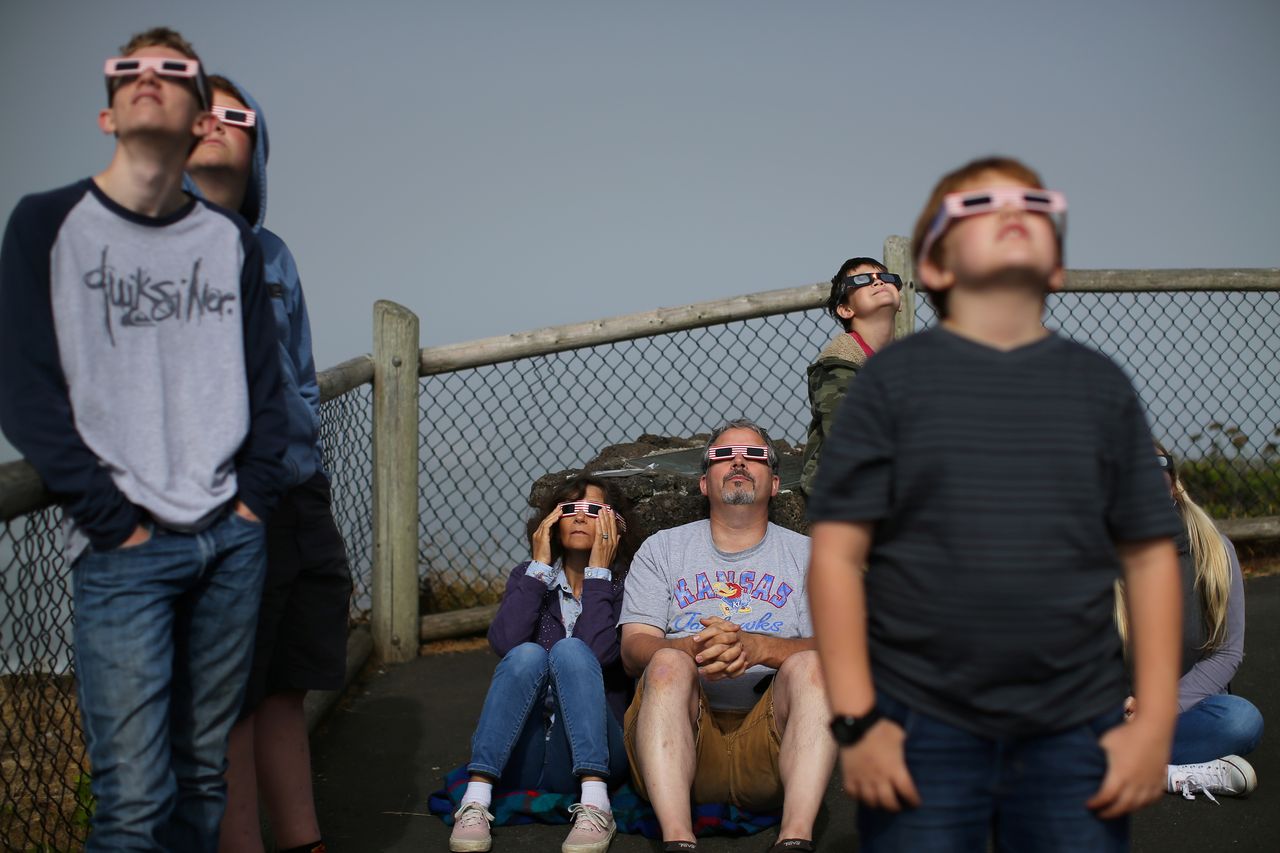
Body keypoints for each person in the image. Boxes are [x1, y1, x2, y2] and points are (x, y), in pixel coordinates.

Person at [806, 156, 1184, 851]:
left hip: (1073, 718)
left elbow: (1153, 557)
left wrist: (1156, 720)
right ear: (940, 267)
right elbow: (833, 556)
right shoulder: (884, 385)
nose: (1012, 214)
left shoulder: (1101, 388)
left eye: (1035, 208)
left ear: (1058, 266)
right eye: (976, 209)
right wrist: (858, 722)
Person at [0, 27, 286, 852]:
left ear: (204, 118)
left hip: (230, 544)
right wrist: (108, 516)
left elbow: (264, 387)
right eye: (129, 69)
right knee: (131, 798)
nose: (147, 79)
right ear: (105, 113)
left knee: (202, 775)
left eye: (172, 70)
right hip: (122, 548)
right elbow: (25, 388)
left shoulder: (227, 241)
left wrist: (251, 505)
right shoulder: (46, 224)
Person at [186, 76, 353, 853]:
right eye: (201, 112)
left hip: (294, 495)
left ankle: (303, 840)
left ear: (256, 145)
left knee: (286, 685)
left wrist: (305, 465)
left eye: (234, 114)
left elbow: (301, 374)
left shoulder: (274, 253)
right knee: (230, 704)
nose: (216, 123)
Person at [619, 418, 834, 853]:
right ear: (703, 483)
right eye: (724, 455)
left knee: (815, 665)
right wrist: (691, 649)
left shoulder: (808, 555)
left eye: (755, 455)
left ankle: (795, 839)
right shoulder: (662, 549)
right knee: (664, 662)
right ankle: (678, 840)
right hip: (685, 738)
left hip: (771, 746)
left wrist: (759, 647)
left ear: (774, 484)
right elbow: (632, 647)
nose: (739, 460)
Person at [450, 475, 640, 853]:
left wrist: (599, 574)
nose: (581, 519)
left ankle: (595, 804)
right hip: (526, 753)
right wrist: (539, 566)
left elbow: (599, 654)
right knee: (527, 653)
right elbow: (504, 644)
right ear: (551, 522)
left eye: (594, 511)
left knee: (571, 651)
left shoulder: (628, 585)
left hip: (596, 749)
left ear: (615, 524)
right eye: (570, 510)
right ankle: (475, 799)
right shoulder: (529, 578)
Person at [1116, 445, 1264, 802]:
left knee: (1240, 719)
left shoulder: (1216, 551)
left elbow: (1227, 654)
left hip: (1181, 712)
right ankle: (1167, 774)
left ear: (1174, 488)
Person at [799, 256, 902, 497]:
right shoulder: (839, 361)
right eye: (862, 280)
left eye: (886, 278)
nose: (878, 283)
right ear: (846, 309)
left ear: (901, 303)